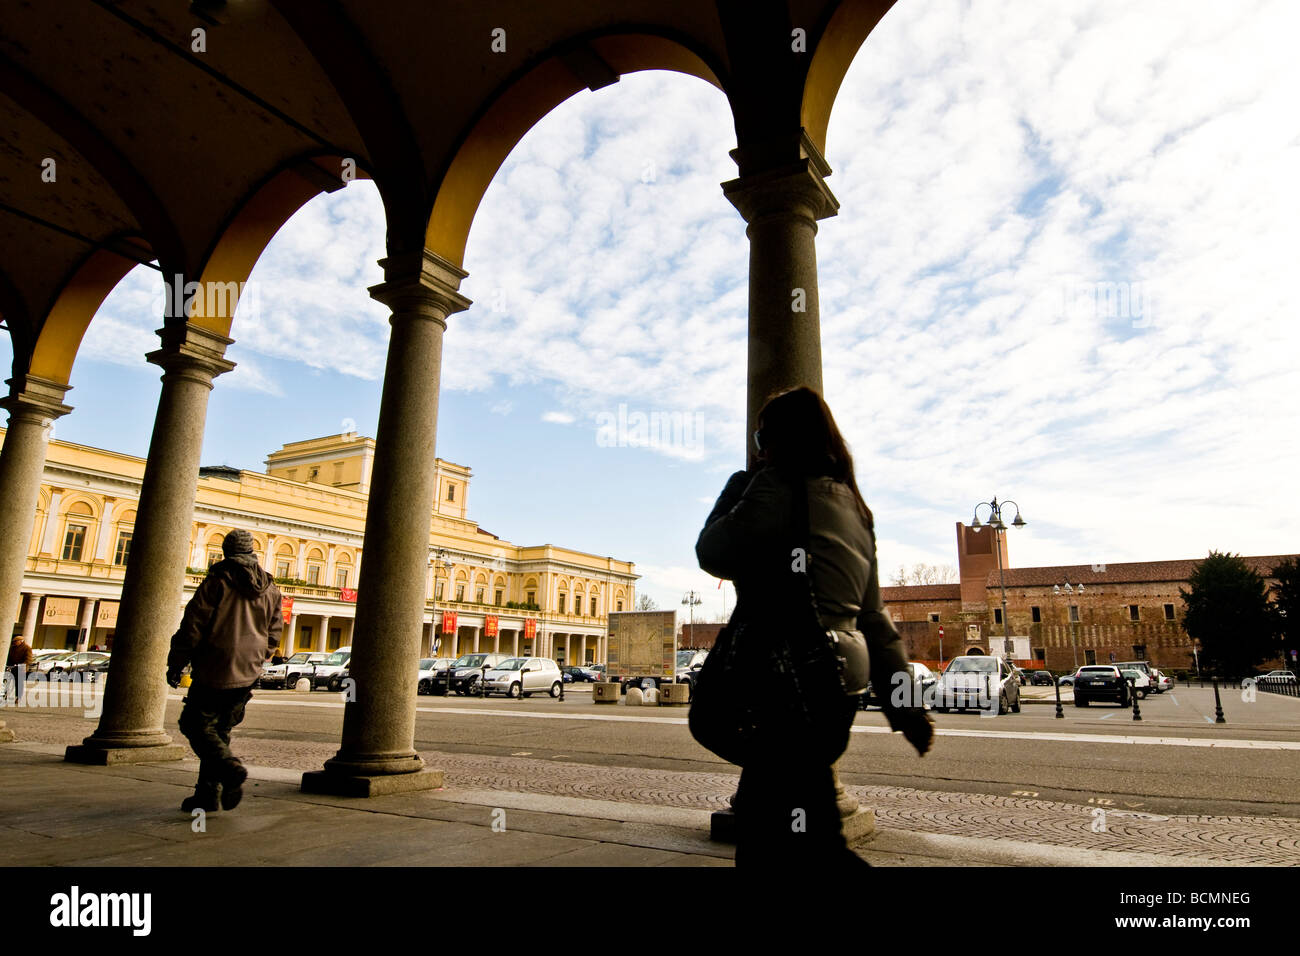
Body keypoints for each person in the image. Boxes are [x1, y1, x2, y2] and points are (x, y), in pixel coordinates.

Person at [696, 386, 934, 869]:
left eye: (762, 434)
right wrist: (904, 705)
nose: (759, 445)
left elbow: (712, 552)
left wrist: (735, 487)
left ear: (778, 439)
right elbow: (874, 617)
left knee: (785, 838)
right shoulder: (853, 506)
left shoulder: (774, 486)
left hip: (786, 683)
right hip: (838, 685)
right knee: (795, 828)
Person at [167, 529, 282, 813]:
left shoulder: (217, 582)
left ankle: (228, 768)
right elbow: (274, 632)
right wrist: (258, 658)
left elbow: (192, 627)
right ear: (252, 551)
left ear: (226, 551)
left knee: (193, 725)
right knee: (221, 730)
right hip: (248, 670)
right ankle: (208, 794)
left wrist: (176, 662)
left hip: (215, 667)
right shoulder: (271, 587)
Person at [6, 634, 35, 702]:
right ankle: (5, 693)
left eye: (16, 641)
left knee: (19, 683)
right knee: (7, 680)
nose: (15, 642)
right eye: (14, 641)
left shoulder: (27, 648)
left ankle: (18, 697)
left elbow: (28, 659)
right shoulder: (12, 647)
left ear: (21, 641)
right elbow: (8, 656)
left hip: (21, 668)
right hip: (12, 666)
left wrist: (23, 664)